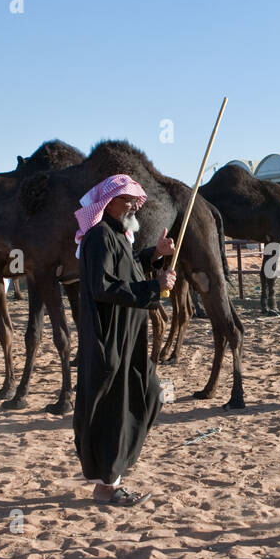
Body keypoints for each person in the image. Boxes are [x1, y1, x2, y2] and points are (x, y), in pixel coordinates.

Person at [72, 175, 176, 507]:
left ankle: (114, 474)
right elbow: (105, 287)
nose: (132, 205)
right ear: (107, 204)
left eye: (134, 200)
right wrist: (154, 287)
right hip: (110, 341)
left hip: (129, 341)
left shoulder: (118, 237)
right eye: (125, 199)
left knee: (148, 394)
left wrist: (155, 257)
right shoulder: (99, 237)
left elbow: (127, 270)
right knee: (113, 411)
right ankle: (107, 486)